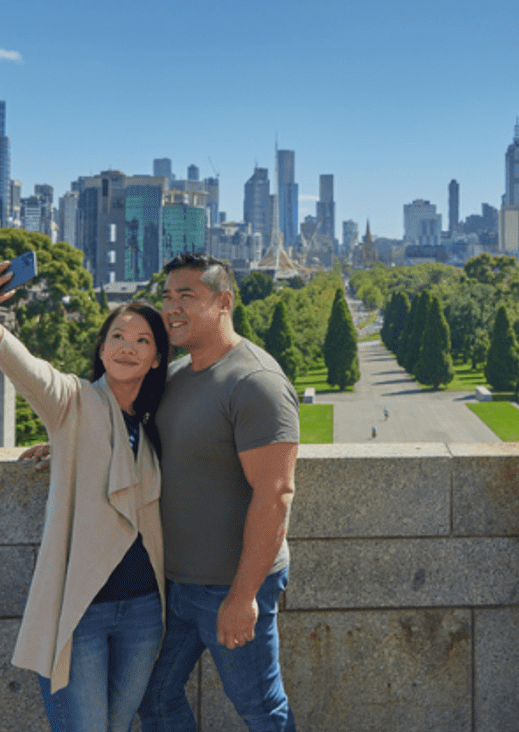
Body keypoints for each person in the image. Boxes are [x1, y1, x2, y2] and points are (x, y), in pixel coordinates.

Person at [0, 260, 169, 732]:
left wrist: (69, 453)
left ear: (157, 358)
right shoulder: (72, 403)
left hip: (144, 612)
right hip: (83, 614)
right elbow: (29, 371)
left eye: (143, 341)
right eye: (118, 336)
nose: (128, 348)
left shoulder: (161, 419)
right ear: (101, 349)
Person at [140, 253, 299, 732]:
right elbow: (127, 432)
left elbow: (275, 495)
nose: (171, 308)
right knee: (152, 697)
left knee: (260, 708)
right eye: (167, 297)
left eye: (187, 297)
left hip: (230, 585)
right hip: (173, 584)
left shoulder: (257, 383)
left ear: (224, 302)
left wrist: (243, 595)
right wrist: (66, 444)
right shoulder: (174, 375)